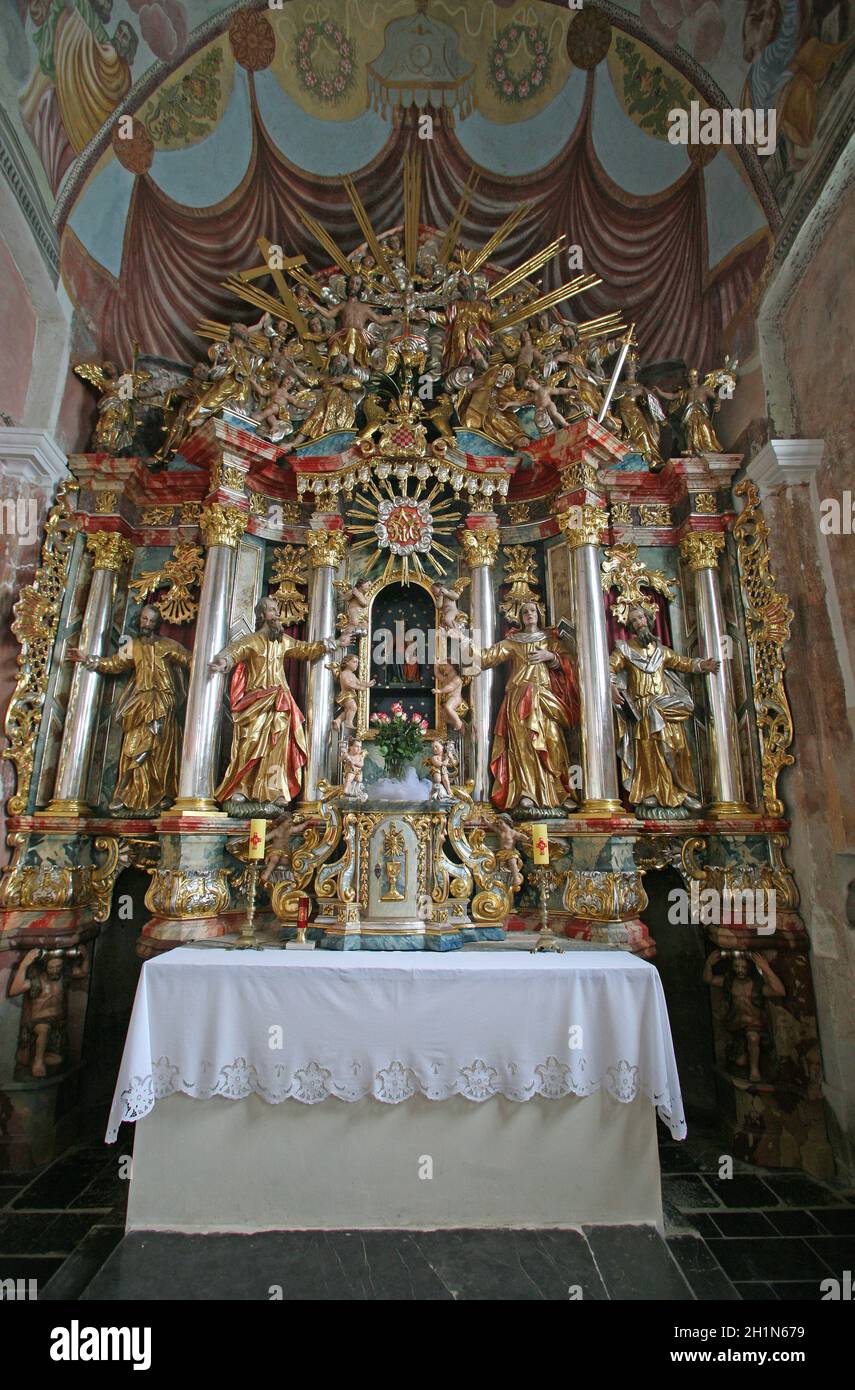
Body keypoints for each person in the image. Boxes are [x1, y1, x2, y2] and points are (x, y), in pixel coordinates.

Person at [209, 596, 335, 804]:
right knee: (249, 743)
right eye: (272, 610)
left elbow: (306, 650)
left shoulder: (283, 641)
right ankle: (242, 787)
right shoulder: (252, 641)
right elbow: (234, 652)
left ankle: (274, 789)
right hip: (255, 702)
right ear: (261, 616)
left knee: (277, 748)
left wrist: (334, 643)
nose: (277, 614)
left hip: (279, 702)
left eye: (277, 610)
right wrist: (224, 662)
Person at [68, 604, 190, 814]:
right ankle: (128, 792)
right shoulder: (131, 646)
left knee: (161, 748)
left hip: (164, 700)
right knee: (134, 746)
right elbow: (114, 664)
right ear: (139, 620)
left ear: (158, 624)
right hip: (140, 703)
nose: (147, 624)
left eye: (152, 620)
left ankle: (163, 793)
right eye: (144, 619)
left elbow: (191, 660)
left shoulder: (169, 645)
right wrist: (89, 659)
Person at [472, 600, 580, 811]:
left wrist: (552, 657)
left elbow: (574, 663)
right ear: (520, 618)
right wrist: (462, 638)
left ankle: (560, 792)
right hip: (519, 699)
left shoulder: (551, 640)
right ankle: (526, 792)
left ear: (539, 614)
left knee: (553, 743)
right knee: (524, 747)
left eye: (532, 610)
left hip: (545, 699)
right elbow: (485, 658)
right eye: (525, 612)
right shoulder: (513, 641)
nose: (529, 614)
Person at [609, 605, 718, 811]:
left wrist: (702, 665)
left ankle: (681, 790)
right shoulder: (625, 649)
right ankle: (650, 790)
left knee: (675, 747)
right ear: (630, 626)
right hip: (642, 709)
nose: (638, 623)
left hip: (664, 706)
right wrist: (612, 685)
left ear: (648, 620)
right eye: (633, 621)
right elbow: (608, 667)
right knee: (648, 751)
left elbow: (682, 663)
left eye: (641, 618)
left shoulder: (662, 651)